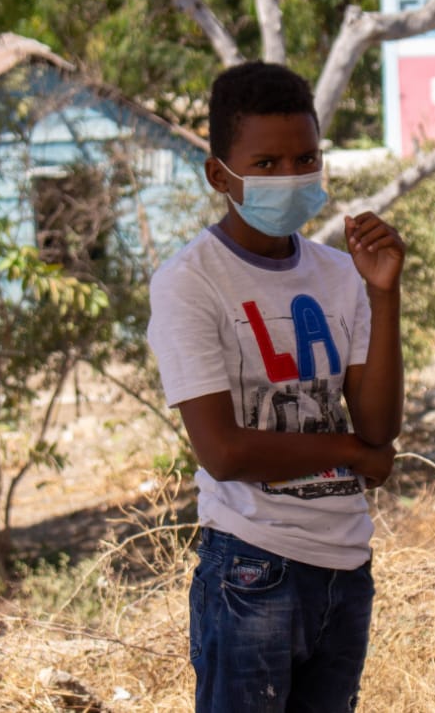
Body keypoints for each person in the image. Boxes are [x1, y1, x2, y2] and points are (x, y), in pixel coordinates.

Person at [147, 60, 405, 713]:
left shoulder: (340, 273)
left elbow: (380, 429)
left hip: (345, 564)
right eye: (265, 164)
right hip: (252, 567)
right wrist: (350, 450)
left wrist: (384, 291)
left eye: (305, 158)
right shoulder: (191, 283)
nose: (289, 177)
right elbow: (224, 452)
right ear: (219, 175)